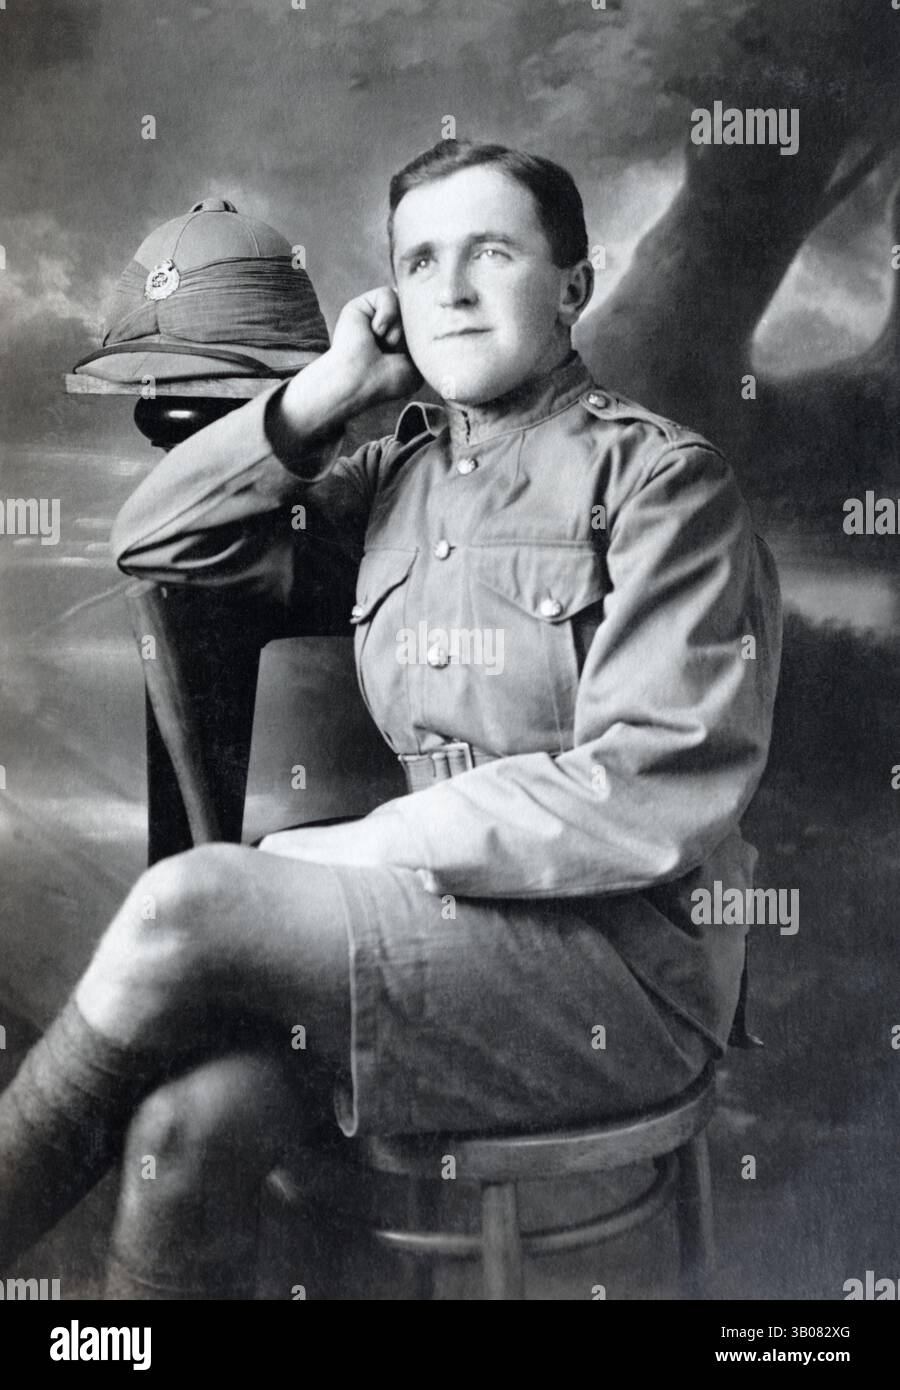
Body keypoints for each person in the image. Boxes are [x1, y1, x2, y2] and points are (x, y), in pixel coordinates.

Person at [0, 139, 782, 1299]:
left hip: (619, 968)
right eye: (420, 261)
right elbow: (155, 544)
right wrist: (327, 392)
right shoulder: (393, 480)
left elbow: (647, 787)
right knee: (181, 1129)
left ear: (574, 284)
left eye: (491, 253)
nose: (452, 289)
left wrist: (360, 845)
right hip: (436, 936)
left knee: (188, 903)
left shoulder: (664, 484)